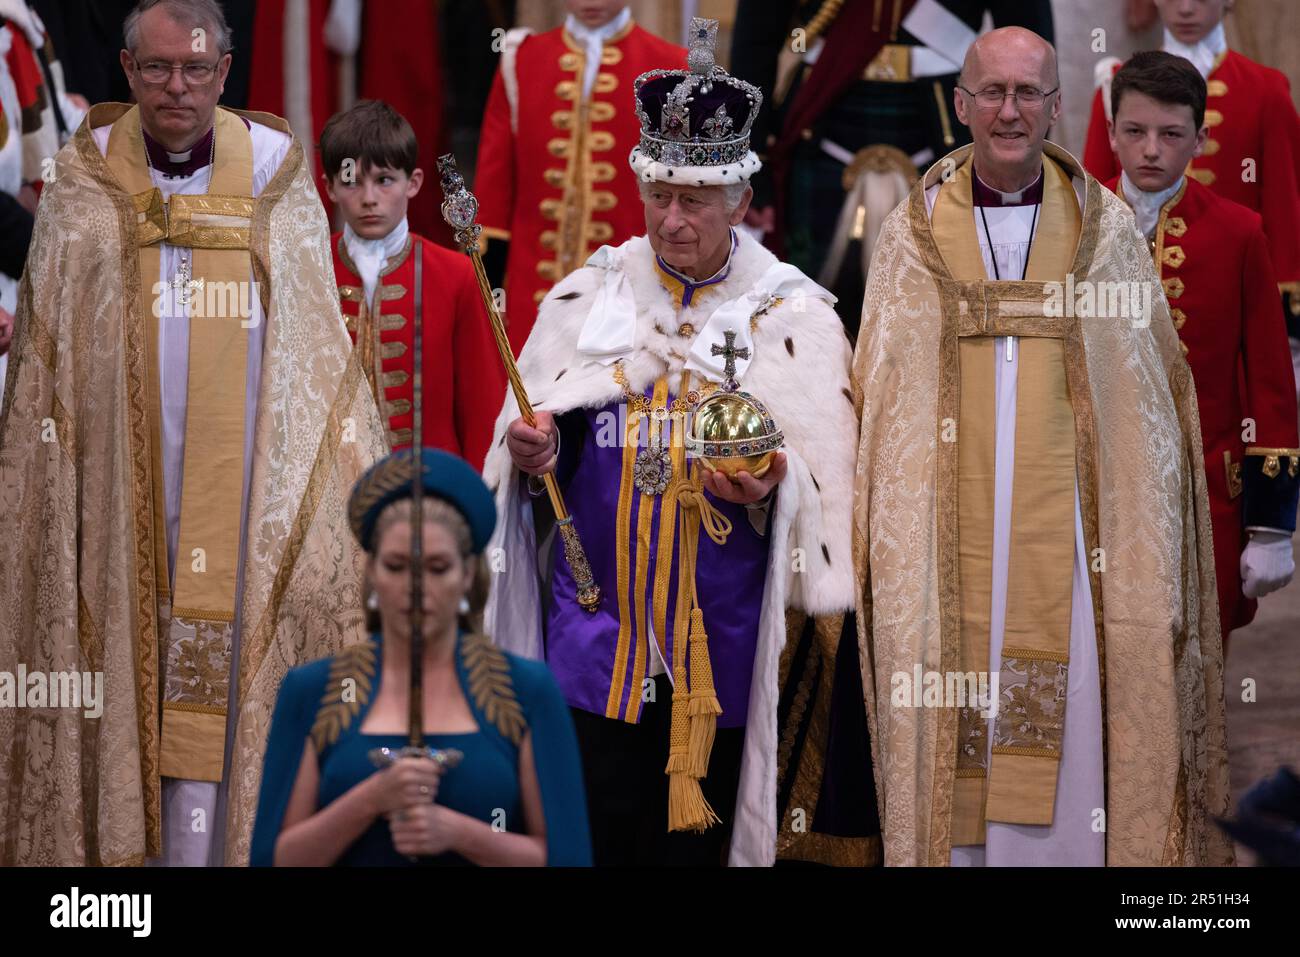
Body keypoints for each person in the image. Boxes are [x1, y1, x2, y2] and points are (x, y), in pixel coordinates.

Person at [0, 0, 386, 867]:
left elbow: (316, 346)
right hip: (114, 489)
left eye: (198, 70)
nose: (179, 88)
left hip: (239, 480)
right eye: (160, 69)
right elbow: (46, 359)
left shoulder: (277, 171)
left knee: (228, 655)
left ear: (226, 70)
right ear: (130, 72)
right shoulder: (82, 176)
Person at [484, 18, 874, 867]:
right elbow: (539, 448)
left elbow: (824, 492)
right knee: (594, 836)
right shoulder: (590, 295)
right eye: (658, 194)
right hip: (595, 637)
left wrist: (773, 481)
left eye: (694, 200)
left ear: (739, 199)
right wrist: (538, 455)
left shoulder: (794, 317)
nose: (671, 218)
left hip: (722, 646)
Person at [852, 26, 1233, 866]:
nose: (1011, 111)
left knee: (1080, 732)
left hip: (1072, 550)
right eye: (992, 92)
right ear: (961, 105)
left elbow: (1149, 411)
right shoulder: (912, 241)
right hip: (945, 547)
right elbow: (886, 402)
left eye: (1029, 93)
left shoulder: (1106, 236)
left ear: (1058, 108)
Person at [250, 447, 592, 866]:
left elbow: (568, 857)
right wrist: (371, 799)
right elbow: (272, 859)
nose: (415, 587)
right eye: (396, 566)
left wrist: (457, 832)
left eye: (436, 567)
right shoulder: (312, 691)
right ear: (371, 572)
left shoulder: (527, 691)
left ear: (467, 575)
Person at [1103, 50, 1298, 646]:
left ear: (1201, 138)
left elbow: (1269, 380)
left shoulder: (1241, 233)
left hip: (1206, 493)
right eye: (1134, 132)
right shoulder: (1073, 225)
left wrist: (1271, 526)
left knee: (1197, 655)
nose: (1151, 151)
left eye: (1171, 134)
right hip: (1093, 490)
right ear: (1111, 134)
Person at [729, 0, 1055, 338]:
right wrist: (753, 164)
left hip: (943, 127)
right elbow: (758, 36)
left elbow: (1032, 42)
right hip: (823, 118)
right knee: (808, 315)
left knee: (949, 313)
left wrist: (1025, 161)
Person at [1083, 0, 1300, 387]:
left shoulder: (1265, 88)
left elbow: (1284, 197)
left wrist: (1287, 293)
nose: (1185, 9)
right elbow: (1094, 188)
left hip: (1228, 290)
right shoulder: (1116, 84)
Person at [473, 0, 685, 353]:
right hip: (527, 291)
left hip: (629, 296)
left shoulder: (669, 67)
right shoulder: (520, 59)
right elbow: (494, 186)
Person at [321, 99, 505, 468]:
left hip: (431, 494)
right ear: (328, 188)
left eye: (384, 180)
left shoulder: (457, 276)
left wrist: (478, 506)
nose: (369, 198)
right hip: (330, 491)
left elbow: (482, 405)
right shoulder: (308, 269)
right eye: (351, 182)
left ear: (414, 183)